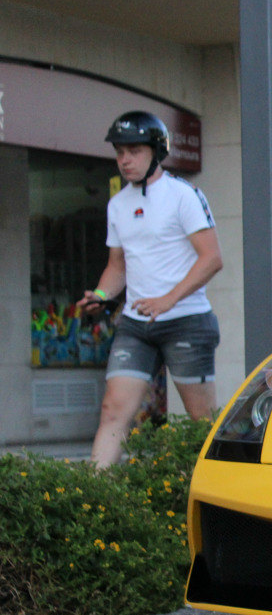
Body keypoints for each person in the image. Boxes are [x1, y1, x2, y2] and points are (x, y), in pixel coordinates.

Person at [81, 111, 224, 468]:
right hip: (135, 324)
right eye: (119, 153)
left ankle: (211, 494)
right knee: (112, 409)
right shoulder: (117, 204)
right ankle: (92, 496)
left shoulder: (183, 195)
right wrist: (100, 296)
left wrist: (167, 300)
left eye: (134, 151)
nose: (125, 160)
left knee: (201, 421)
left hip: (187, 320)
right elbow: (118, 266)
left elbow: (211, 259)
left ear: (156, 151)